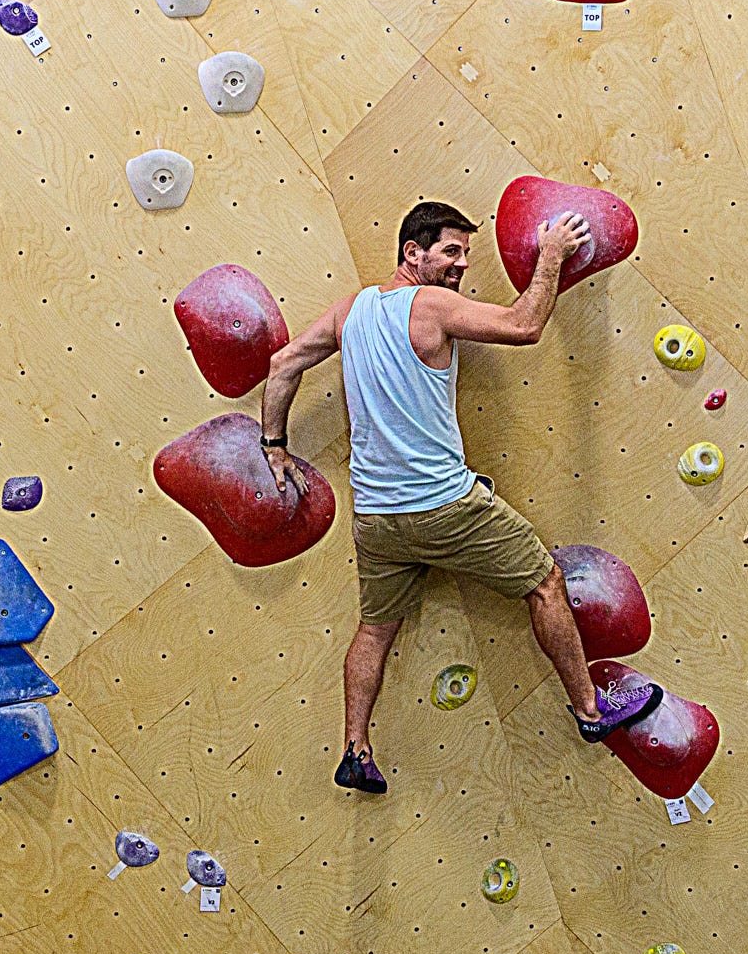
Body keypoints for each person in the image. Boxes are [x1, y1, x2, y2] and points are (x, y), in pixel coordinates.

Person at [256, 199, 660, 794]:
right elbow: (525, 326)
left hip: (377, 519)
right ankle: (591, 713)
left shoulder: (351, 312)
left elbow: (282, 362)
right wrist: (549, 258)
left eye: (466, 254)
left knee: (374, 630)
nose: (462, 265)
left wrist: (274, 442)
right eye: (451, 251)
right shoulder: (431, 304)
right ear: (411, 254)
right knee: (544, 582)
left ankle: (355, 750)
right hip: (442, 505)